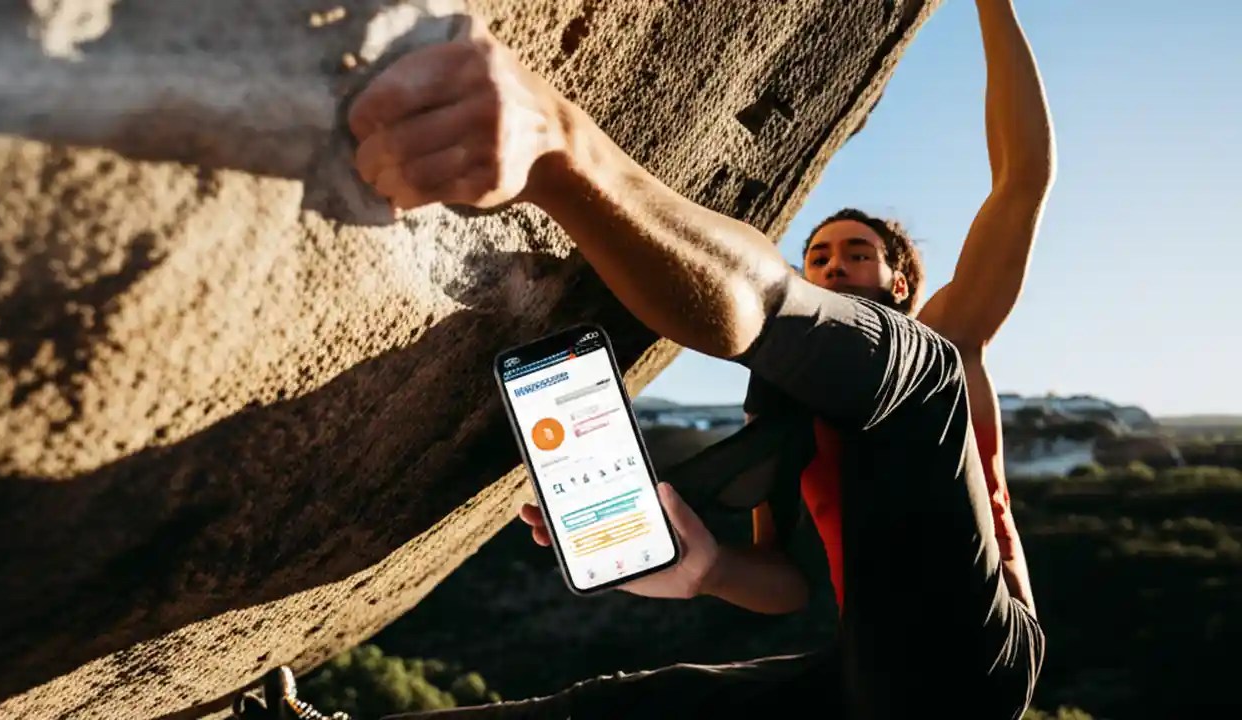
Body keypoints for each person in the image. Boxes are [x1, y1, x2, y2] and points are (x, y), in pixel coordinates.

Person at [235, 0, 1054, 717]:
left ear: (904, 278)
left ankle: (557, 151)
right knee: (616, 706)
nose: (837, 266)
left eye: (858, 254)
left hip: (974, 657)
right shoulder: (782, 404)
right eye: (820, 256)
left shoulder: (949, 339)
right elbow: (785, 582)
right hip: (870, 678)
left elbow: (1021, 180)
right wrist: (705, 568)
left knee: (922, 369)